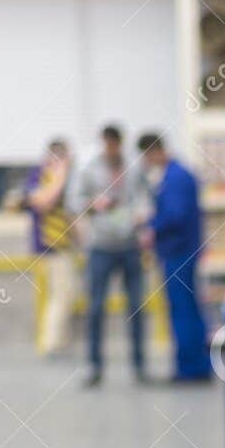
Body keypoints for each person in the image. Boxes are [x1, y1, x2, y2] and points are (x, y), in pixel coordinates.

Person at [70, 123, 149, 386]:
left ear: (120, 144)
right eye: (107, 145)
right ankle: (94, 366)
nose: (110, 149)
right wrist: (93, 203)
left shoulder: (134, 167)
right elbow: (73, 200)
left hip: (129, 245)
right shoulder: (89, 168)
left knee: (135, 306)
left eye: (114, 145)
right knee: (95, 308)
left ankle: (139, 365)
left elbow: (145, 198)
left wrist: (141, 215)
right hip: (100, 246)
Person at [136, 132, 210, 382]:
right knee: (188, 308)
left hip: (179, 252)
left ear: (152, 151)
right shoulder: (176, 174)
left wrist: (151, 226)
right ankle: (195, 365)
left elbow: (175, 215)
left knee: (182, 311)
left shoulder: (176, 177)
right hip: (181, 251)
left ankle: (190, 369)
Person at [23, 139, 77, 353]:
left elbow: (70, 213)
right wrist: (61, 174)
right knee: (60, 294)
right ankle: (51, 344)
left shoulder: (64, 180)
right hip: (48, 246)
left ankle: (59, 341)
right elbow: (44, 201)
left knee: (66, 293)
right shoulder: (39, 175)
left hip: (64, 246)